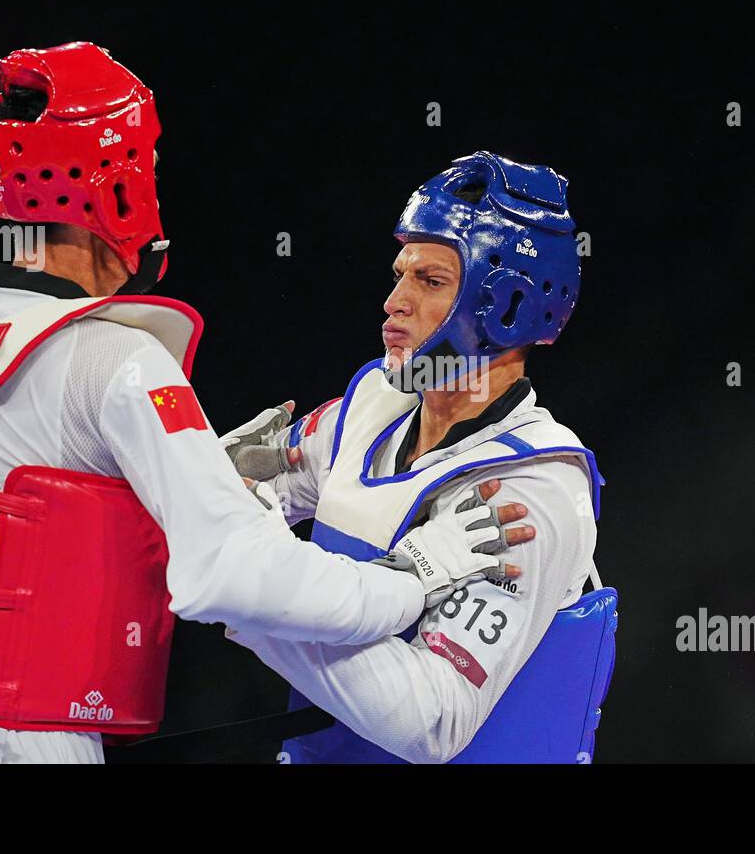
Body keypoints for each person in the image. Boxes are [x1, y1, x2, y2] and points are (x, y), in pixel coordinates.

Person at [0, 45, 529, 764]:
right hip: (21, 748)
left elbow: (7, 516)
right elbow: (230, 571)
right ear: (116, 181)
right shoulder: (121, 359)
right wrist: (413, 575)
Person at [223, 152, 617, 763]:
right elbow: (227, 512)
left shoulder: (530, 487)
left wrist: (251, 594)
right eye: (399, 274)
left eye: (430, 282)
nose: (393, 302)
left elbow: (431, 721)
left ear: (506, 305)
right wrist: (208, 482)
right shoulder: (369, 407)